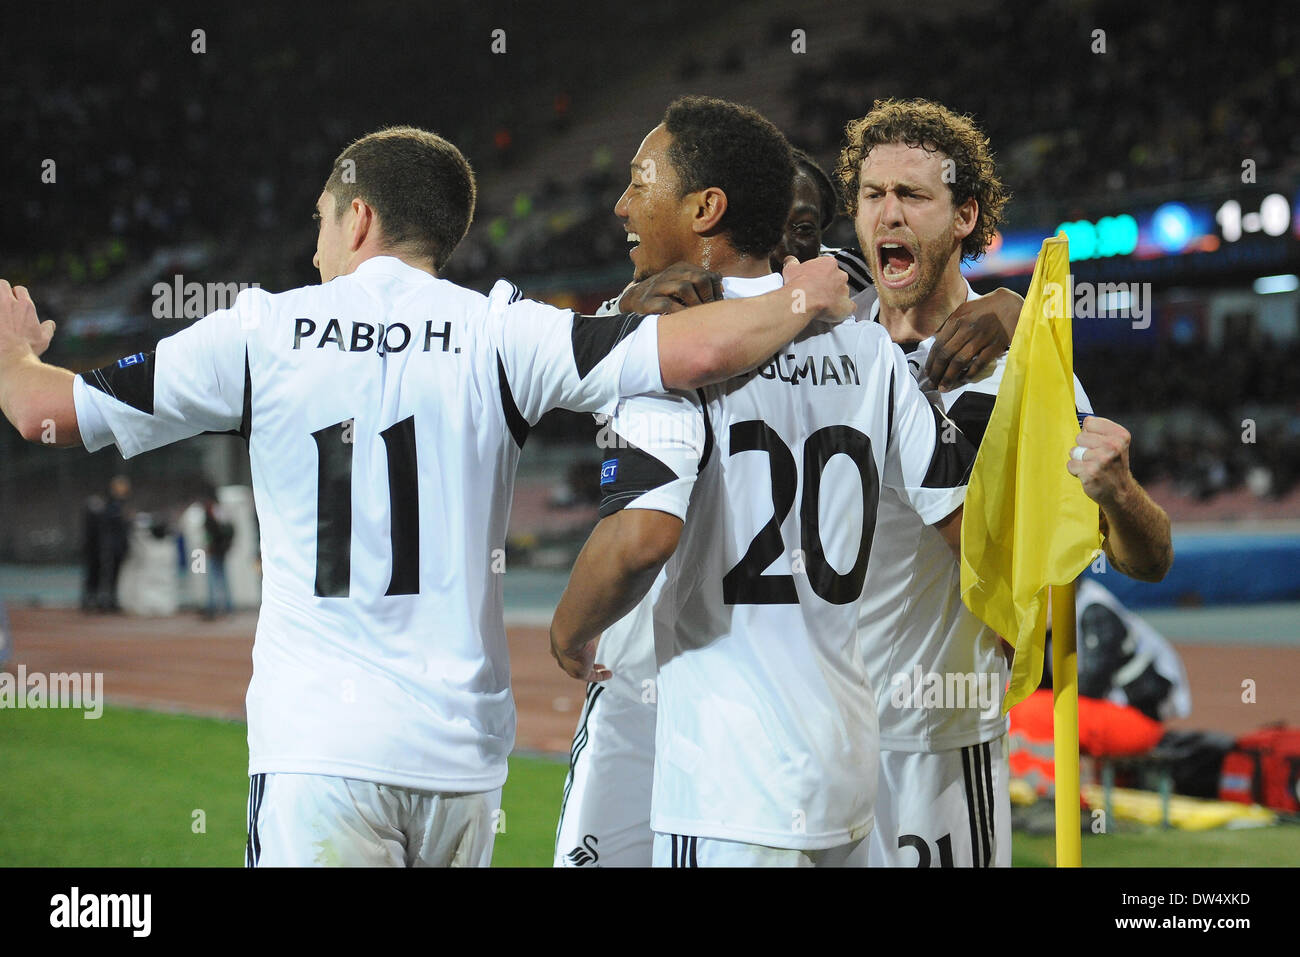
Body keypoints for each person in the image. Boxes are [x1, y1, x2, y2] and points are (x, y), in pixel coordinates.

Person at [0, 125, 853, 868]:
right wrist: (801, 293)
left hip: (318, 756)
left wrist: (13, 355)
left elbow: (48, 415)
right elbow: (691, 352)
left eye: (320, 226)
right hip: (458, 763)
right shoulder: (500, 327)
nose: (314, 251)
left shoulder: (262, 329)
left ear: (358, 214)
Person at [554, 132, 1022, 867]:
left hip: (722, 739)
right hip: (679, 691)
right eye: (783, 229)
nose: (793, 250)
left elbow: (640, 532)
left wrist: (1019, 306)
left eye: (807, 232)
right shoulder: (677, 318)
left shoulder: (712, 332)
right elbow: (968, 519)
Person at [834, 97, 1173, 866]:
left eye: (913, 195)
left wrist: (1117, 489)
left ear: (965, 216)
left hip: (937, 747)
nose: (888, 214)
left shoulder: (1029, 379)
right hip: (814, 744)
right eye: (870, 194)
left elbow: (1147, 559)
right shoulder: (830, 345)